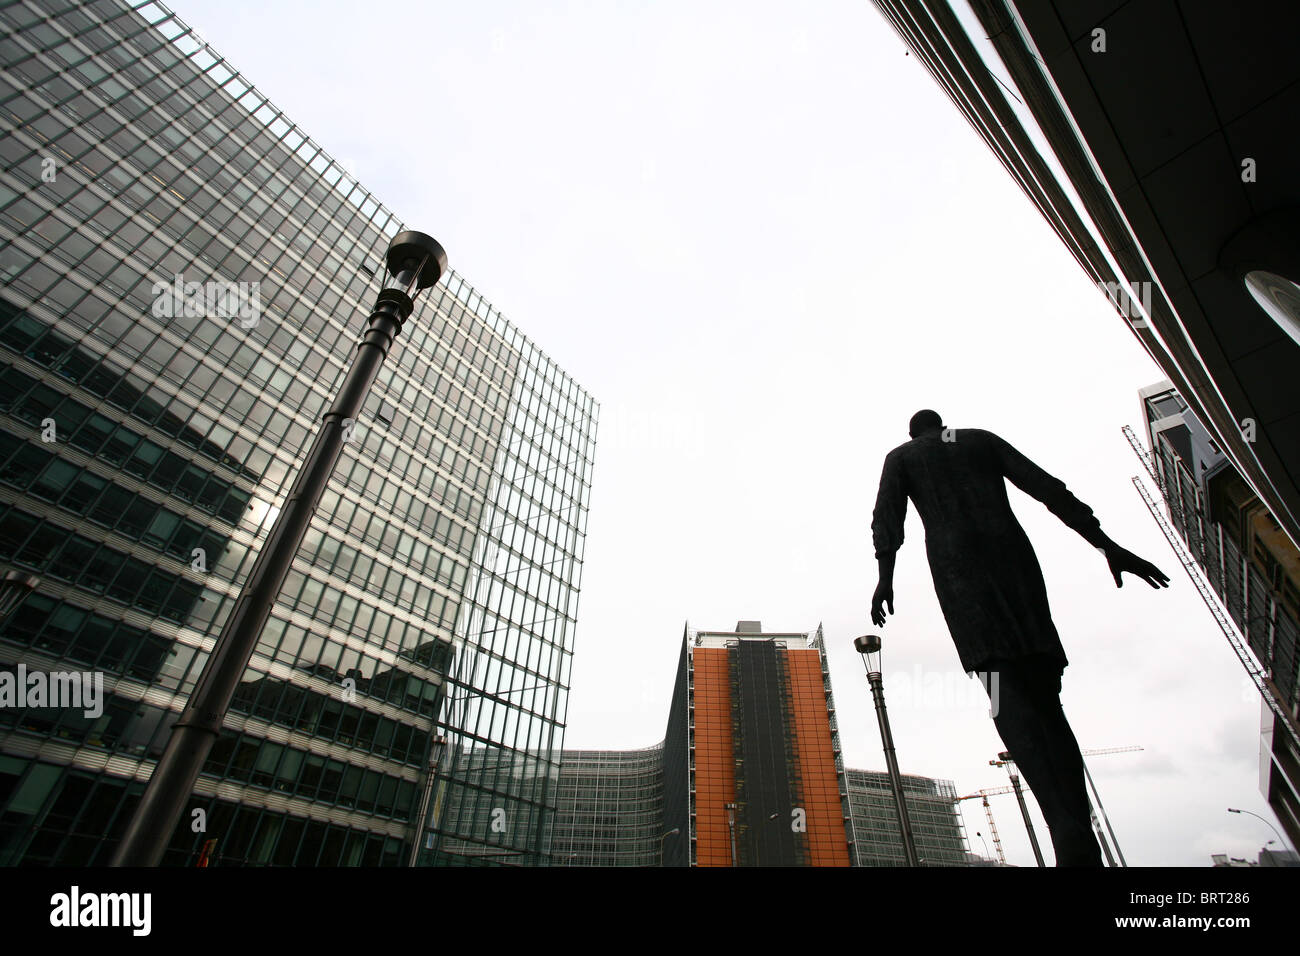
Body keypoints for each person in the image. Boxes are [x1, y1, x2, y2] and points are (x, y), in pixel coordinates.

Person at [869, 409, 1169, 866]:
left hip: (957, 568)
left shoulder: (903, 456)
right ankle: (1075, 830)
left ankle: (1063, 827)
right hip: (1013, 556)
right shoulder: (978, 439)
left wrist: (884, 577)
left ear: (914, 432)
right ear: (942, 424)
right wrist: (1105, 543)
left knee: (998, 683)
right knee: (1047, 697)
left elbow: (886, 521)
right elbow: (1048, 488)